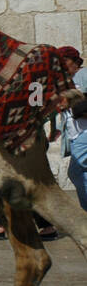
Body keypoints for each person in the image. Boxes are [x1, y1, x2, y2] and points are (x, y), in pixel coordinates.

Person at [56, 46, 87, 211]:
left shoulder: (84, 75)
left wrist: (73, 103)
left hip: (85, 133)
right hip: (75, 135)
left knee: (75, 172)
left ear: (75, 61)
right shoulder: (65, 80)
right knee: (80, 174)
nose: (62, 65)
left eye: (65, 61)